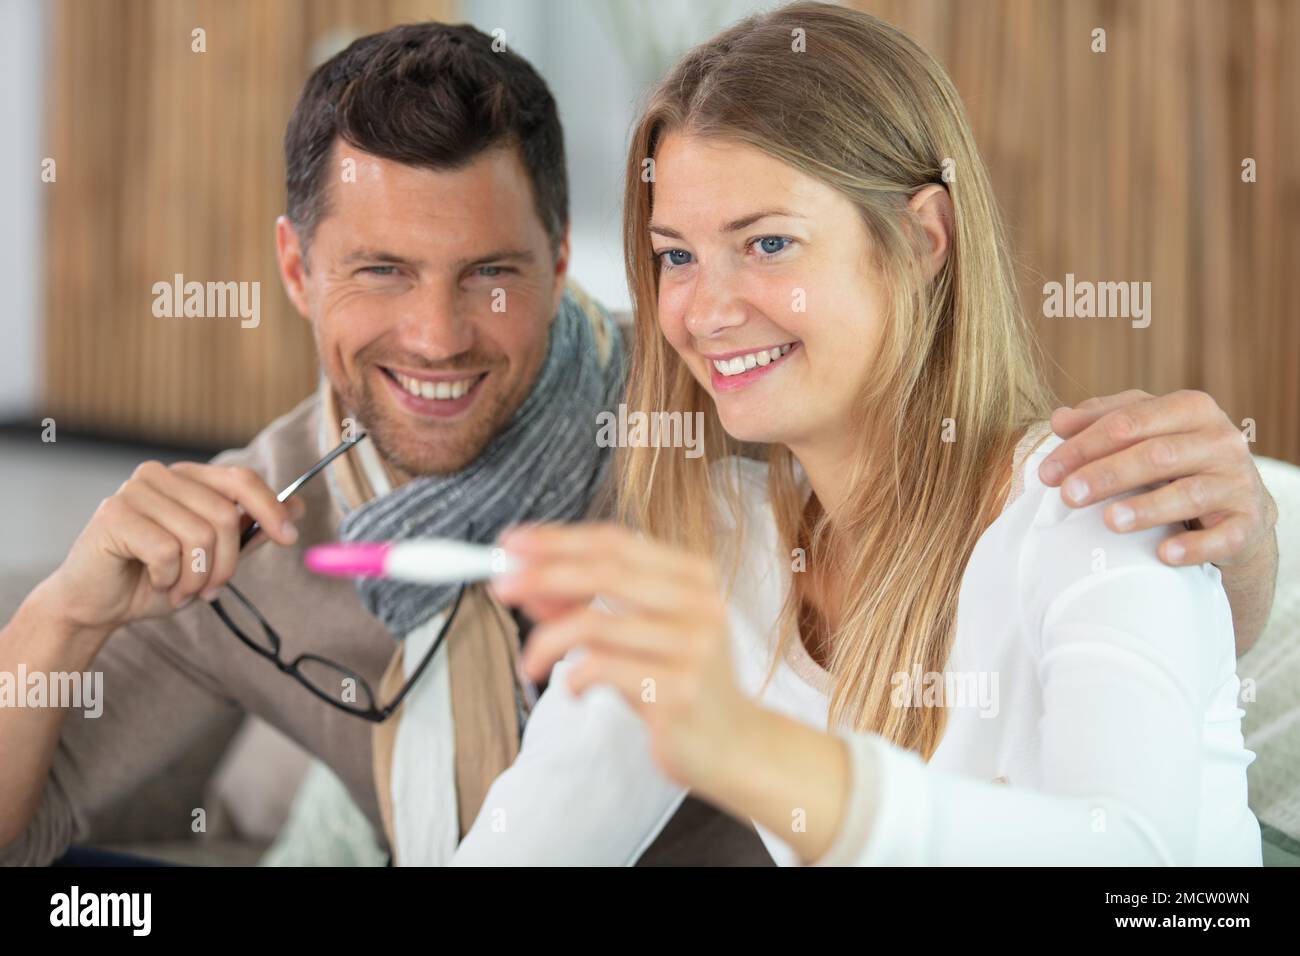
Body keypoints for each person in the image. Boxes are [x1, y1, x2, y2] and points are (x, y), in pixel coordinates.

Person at [453, 2, 1275, 865]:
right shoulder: (716, 552)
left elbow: (1145, 878)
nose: (707, 312)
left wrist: (752, 749)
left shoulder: (1090, 511)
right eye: (678, 256)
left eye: (768, 243)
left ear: (923, 241)